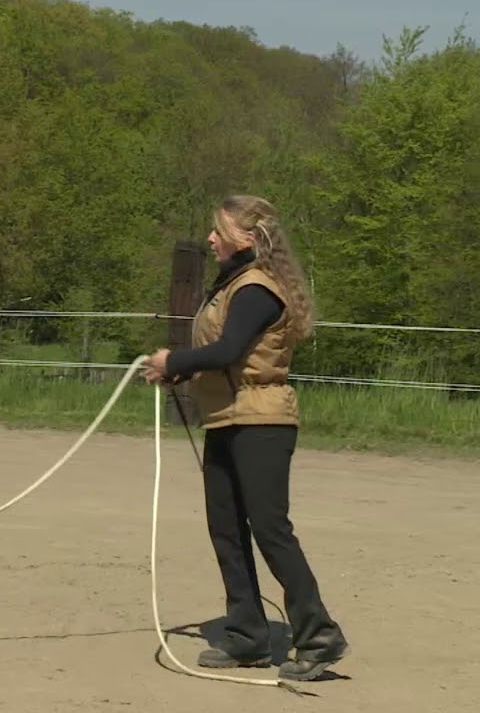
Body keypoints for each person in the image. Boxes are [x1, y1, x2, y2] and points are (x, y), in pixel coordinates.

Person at [140, 194, 349, 683]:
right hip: (226, 417)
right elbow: (228, 357)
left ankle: (319, 634)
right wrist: (181, 373)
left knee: (270, 529)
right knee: (227, 529)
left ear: (247, 238)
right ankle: (248, 635)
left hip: (261, 422)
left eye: (219, 230)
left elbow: (228, 349)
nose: (211, 238)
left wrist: (174, 361)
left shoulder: (255, 288)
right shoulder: (233, 284)